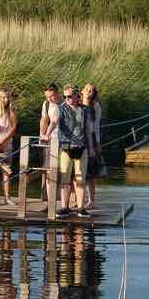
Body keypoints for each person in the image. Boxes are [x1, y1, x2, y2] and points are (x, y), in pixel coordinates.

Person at [55, 84, 90, 216]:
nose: (68, 99)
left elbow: (88, 128)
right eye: (65, 96)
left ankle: (81, 208)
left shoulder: (84, 110)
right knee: (65, 178)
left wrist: (91, 147)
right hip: (65, 147)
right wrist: (46, 133)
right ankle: (65, 207)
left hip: (81, 147)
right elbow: (54, 121)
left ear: (76, 95)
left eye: (70, 96)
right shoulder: (61, 109)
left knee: (81, 178)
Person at [38, 82, 63, 216]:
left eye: (52, 96)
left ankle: (67, 203)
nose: (50, 99)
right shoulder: (46, 104)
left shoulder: (65, 103)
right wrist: (42, 134)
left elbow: (54, 121)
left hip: (64, 141)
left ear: (57, 93)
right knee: (48, 171)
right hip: (50, 141)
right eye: (47, 97)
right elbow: (44, 119)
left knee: (64, 172)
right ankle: (50, 203)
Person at [80, 83, 104, 212]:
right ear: (82, 91)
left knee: (90, 173)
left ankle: (91, 201)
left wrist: (97, 144)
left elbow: (96, 127)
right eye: (87, 90)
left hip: (91, 140)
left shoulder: (96, 106)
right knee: (78, 173)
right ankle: (78, 200)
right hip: (79, 139)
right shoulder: (77, 104)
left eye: (91, 90)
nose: (89, 92)